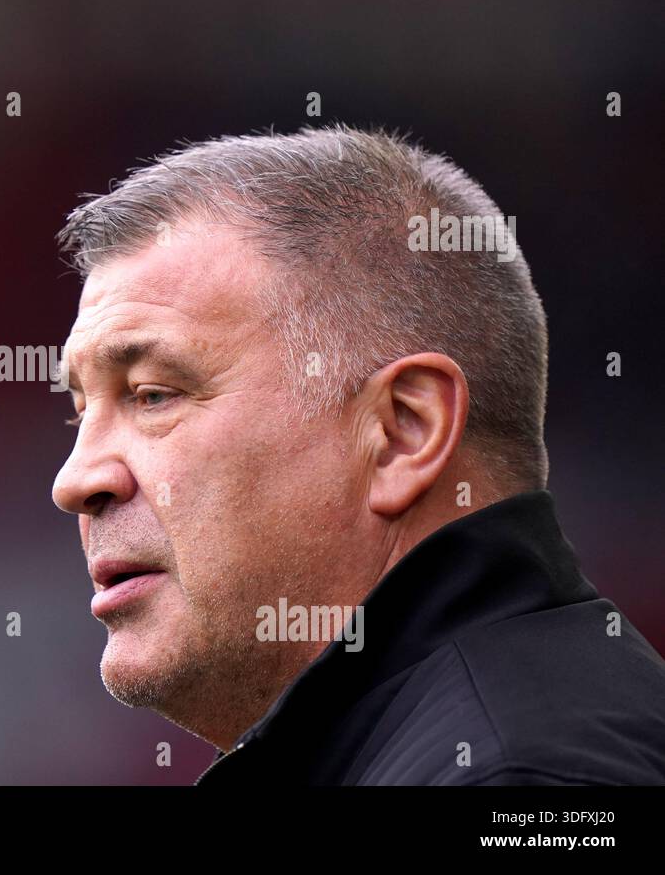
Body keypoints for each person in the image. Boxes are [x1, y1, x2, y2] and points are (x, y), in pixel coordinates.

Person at [50, 126, 665, 784]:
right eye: (81, 411)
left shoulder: (520, 779)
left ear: (403, 432)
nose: (76, 480)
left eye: (151, 395)